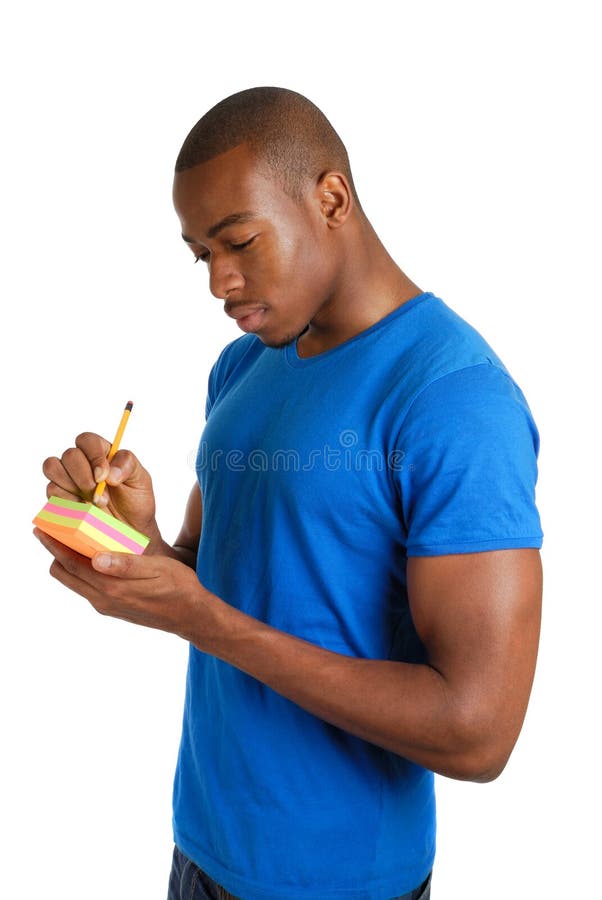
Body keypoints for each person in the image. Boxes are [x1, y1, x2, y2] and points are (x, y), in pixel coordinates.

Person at [35, 87, 543, 900]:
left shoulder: (454, 399)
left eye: (238, 242)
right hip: (200, 851)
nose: (219, 282)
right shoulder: (244, 365)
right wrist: (138, 544)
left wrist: (203, 619)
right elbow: (222, 582)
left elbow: (478, 734)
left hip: (340, 882)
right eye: (202, 254)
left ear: (331, 197)